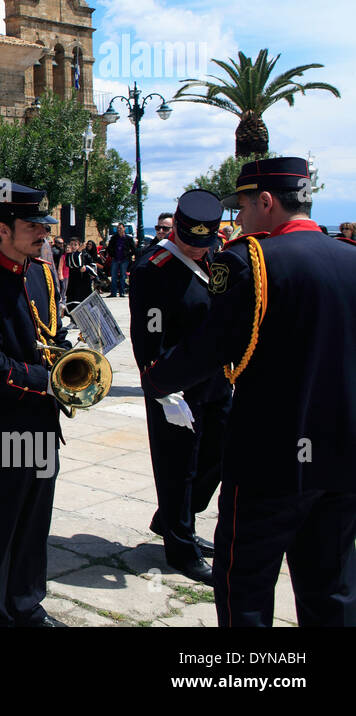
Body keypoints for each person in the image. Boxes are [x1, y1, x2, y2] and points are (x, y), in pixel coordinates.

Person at [142, 157, 356, 626]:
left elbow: (211, 345)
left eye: (241, 206)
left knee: (247, 590)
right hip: (341, 455)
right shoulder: (349, 257)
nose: (236, 219)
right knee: (333, 589)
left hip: (268, 457)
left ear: (266, 200)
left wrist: (157, 378)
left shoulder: (250, 261)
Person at [0, 182, 70, 627]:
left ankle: (27, 606)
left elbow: (49, 333)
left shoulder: (41, 272)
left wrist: (70, 350)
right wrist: (49, 380)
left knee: (34, 520)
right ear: (3, 229)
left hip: (40, 419)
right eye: (33, 226)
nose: (43, 233)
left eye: (45, 225)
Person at [128, 189, 230, 586]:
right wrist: (163, 389)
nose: (197, 248)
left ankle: (171, 519)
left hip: (216, 379)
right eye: (191, 240)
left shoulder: (217, 258)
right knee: (178, 467)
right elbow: (147, 334)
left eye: (204, 242)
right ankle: (181, 547)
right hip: (174, 385)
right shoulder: (154, 268)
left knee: (217, 455)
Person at [62, 237, 96, 307]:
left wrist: (86, 268)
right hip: (74, 283)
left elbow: (92, 267)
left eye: (75, 245)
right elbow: (75, 263)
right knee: (74, 304)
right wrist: (78, 251)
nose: (73, 246)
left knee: (86, 303)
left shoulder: (85, 255)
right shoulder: (69, 256)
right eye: (71, 244)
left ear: (79, 245)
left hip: (84, 282)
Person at [105, 223, 135, 296]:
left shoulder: (129, 238)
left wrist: (128, 255)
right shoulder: (114, 238)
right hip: (115, 259)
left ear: (124, 229)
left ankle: (122, 292)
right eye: (118, 228)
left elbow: (133, 249)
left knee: (123, 276)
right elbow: (109, 248)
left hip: (124, 260)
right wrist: (112, 255)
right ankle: (113, 293)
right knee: (114, 276)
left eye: (120, 228)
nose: (119, 230)